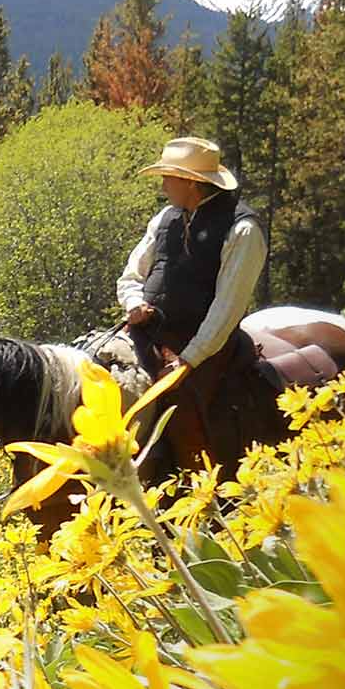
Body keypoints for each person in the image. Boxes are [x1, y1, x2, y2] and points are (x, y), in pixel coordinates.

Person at [116, 137, 266, 466]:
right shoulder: (166, 218)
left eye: (168, 177)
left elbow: (227, 309)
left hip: (204, 348)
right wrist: (133, 303)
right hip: (148, 334)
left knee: (180, 409)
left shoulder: (242, 230)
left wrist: (188, 360)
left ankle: (199, 486)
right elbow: (131, 276)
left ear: (189, 182)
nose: (163, 185)